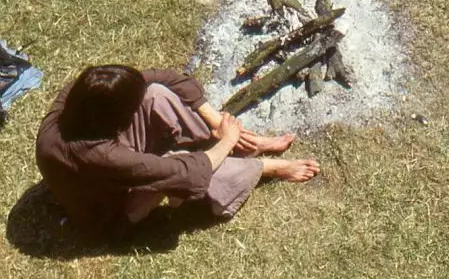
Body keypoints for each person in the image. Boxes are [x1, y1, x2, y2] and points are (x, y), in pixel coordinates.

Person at [35, 65, 319, 234]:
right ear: (116, 120)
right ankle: (265, 167)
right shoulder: (103, 157)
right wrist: (228, 141)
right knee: (177, 160)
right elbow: (185, 172)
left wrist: (217, 121)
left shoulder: (79, 98)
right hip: (113, 213)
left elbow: (163, 77)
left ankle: (248, 145)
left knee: (156, 94)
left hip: (100, 174)